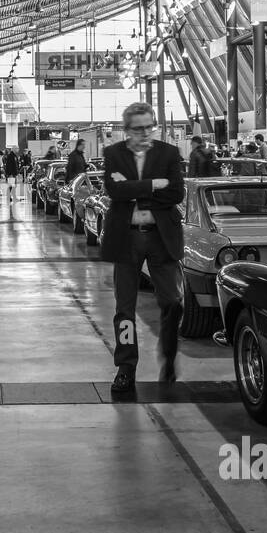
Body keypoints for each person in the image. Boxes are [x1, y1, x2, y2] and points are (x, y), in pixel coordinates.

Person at [101, 102, 185, 394]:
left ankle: (169, 357)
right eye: (138, 129)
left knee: (173, 302)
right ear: (126, 131)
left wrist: (135, 188)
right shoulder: (113, 154)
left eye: (150, 126)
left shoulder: (169, 153)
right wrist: (153, 184)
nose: (145, 133)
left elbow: (176, 192)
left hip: (162, 237)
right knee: (125, 308)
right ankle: (126, 368)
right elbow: (114, 191)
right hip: (126, 237)